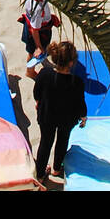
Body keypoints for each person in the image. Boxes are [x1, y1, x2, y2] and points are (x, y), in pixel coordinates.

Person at [28, 41, 86, 184]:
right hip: (66, 118)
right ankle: (56, 169)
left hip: (47, 115)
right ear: (71, 63)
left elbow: (37, 92)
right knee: (62, 140)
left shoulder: (45, 74)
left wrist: (38, 102)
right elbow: (80, 103)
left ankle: (40, 174)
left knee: (45, 143)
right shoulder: (76, 82)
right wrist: (83, 116)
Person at [20, 0, 60, 64]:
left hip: (37, 24)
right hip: (37, 33)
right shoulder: (37, 9)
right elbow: (35, 30)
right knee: (32, 52)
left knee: (41, 49)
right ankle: (30, 71)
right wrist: (38, 46)